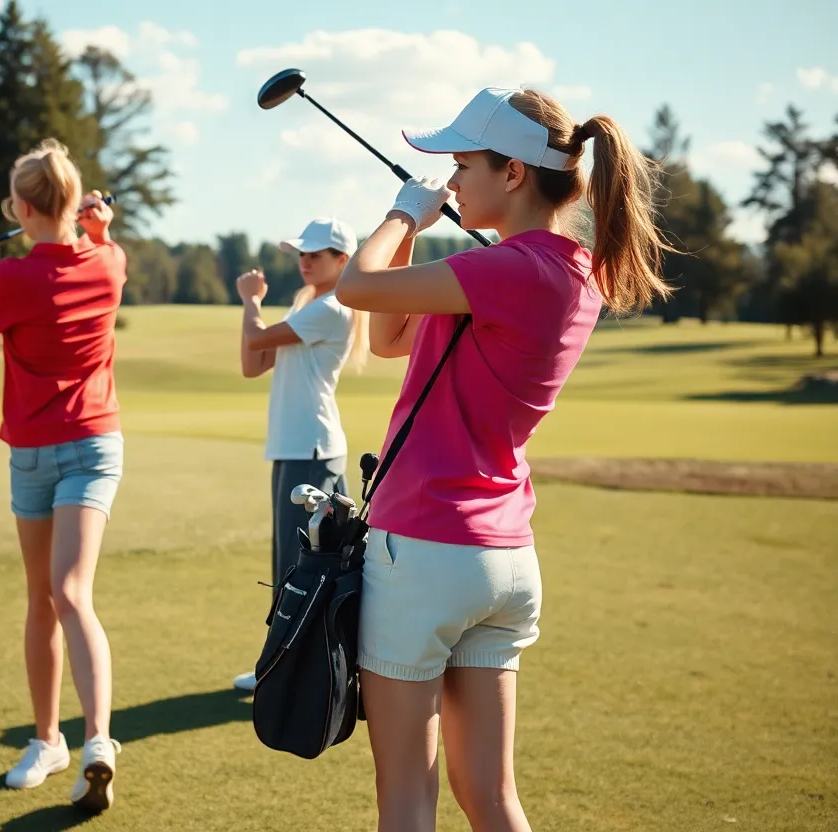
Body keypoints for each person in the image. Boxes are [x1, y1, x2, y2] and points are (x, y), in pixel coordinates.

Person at [334, 87, 674, 831]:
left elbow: (352, 286)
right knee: (490, 799)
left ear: (514, 174)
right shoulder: (567, 271)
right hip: (503, 559)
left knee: (407, 802)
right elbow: (391, 336)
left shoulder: (503, 273)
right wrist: (422, 234)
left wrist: (400, 215)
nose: (451, 183)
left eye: (462, 165)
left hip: (425, 550)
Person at [0, 138, 128, 815]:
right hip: (94, 446)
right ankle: (70, 741)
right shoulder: (109, 262)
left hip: (41, 454)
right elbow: (104, 249)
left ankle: (76, 740)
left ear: (20, 207)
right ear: (75, 201)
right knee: (62, 595)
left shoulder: (11, 277)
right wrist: (96, 226)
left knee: (54, 595)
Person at [232, 217, 370, 693]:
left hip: (311, 449)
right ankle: (286, 667)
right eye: (302, 254)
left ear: (342, 261)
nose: (305, 261)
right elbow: (253, 364)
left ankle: (294, 672)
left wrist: (250, 300)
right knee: (294, 564)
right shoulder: (307, 308)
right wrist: (252, 311)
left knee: (307, 566)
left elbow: (256, 339)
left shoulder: (331, 308)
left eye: (317, 254)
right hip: (296, 447)